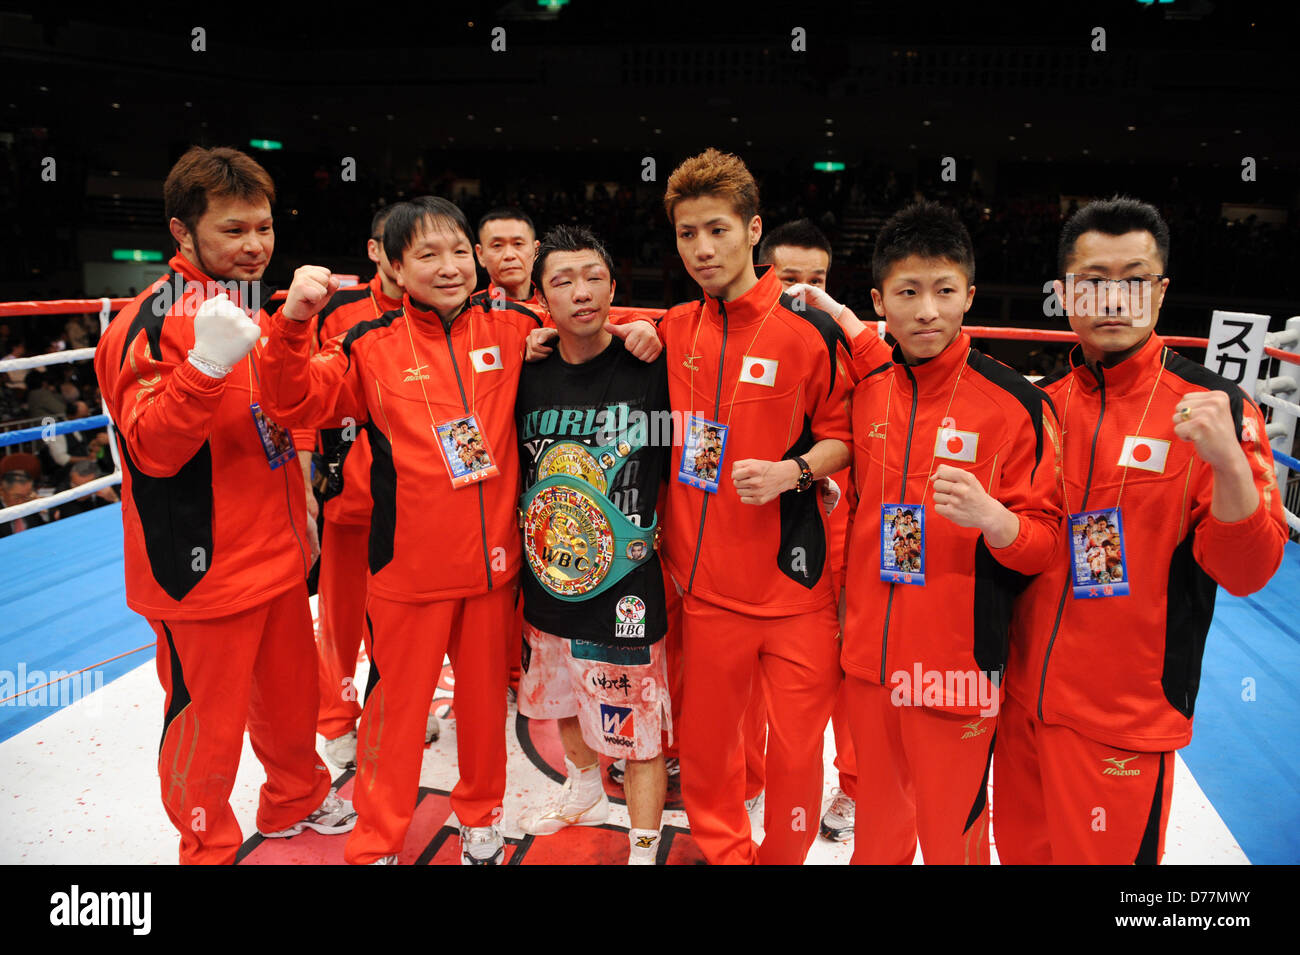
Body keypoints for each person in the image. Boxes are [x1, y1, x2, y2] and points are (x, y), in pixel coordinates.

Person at [996, 197, 1287, 864]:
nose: (1113, 298)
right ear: (1064, 292)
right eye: (1094, 279)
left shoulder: (1212, 406)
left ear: (1159, 293)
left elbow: (1247, 572)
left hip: (1122, 724)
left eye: (1133, 279)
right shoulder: (1043, 403)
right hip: (1022, 706)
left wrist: (1230, 467)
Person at [93, 145, 352, 865]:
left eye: (263, 228)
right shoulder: (145, 323)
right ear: (182, 232)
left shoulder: (250, 307)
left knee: (292, 700)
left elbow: (280, 412)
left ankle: (296, 797)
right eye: (234, 230)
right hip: (198, 569)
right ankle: (205, 845)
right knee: (207, 724)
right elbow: (151, 449)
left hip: (274, 554)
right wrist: (204, 367)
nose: (255, 245)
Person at [840, 200, 1063, 865]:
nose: (926, 311)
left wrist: (996, 520)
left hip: (957, 669)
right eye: (908, 292)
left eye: (943, 291)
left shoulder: (1016, 402)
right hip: (867, 664)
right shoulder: (868, 388)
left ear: (970, 293)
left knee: (951, 837)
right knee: (876, 829)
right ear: (881, 300)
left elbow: (1048, 542)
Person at [657, 148, 855, 865]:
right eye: (686, 233)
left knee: (799, 753)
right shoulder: (674, 327)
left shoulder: (811, 332)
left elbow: (846, 438)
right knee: (709, 752)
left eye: (717, 229)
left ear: (753, 231)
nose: (702, 248)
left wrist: (790, 472)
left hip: (795, 588)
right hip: (705, 593)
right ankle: (725, 852)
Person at [513, 225, 673, 865]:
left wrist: (648, 328)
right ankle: (584, 789)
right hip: (546, 572)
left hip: (627, 584)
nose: (581, 293)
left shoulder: (652, 364)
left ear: (614, 284)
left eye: (594, 277)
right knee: (555, 699)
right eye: (562, 281)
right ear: (540, 297)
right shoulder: (526, 371)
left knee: (636, 727)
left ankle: (640, 846)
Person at [739, 218, 891, 841]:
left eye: (818, 281)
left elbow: (893, 388)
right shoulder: (735, 342)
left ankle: (853, 788)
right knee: (750, 674)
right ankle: (748, 779)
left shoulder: (852, 348)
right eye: (790, 279)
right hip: (763, 539)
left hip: (845, 536)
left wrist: (849, 324)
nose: (803, 293)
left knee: (851, 674)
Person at [304, 203, 444, 770]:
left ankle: (397, 706)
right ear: (378, 251)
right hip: (348, 496)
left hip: (415, 503)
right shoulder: (334, 310)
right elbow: (299, 399)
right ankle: (336, 720)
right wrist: (305, 490)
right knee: (339, 618)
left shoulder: (440, 310)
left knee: (402, 621)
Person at [476, 207, 541, 306]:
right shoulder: (469, 313)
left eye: (518, 244)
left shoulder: (557, 307)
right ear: (480, 255)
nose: (509, 255)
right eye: (497, 245)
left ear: (536, 251)